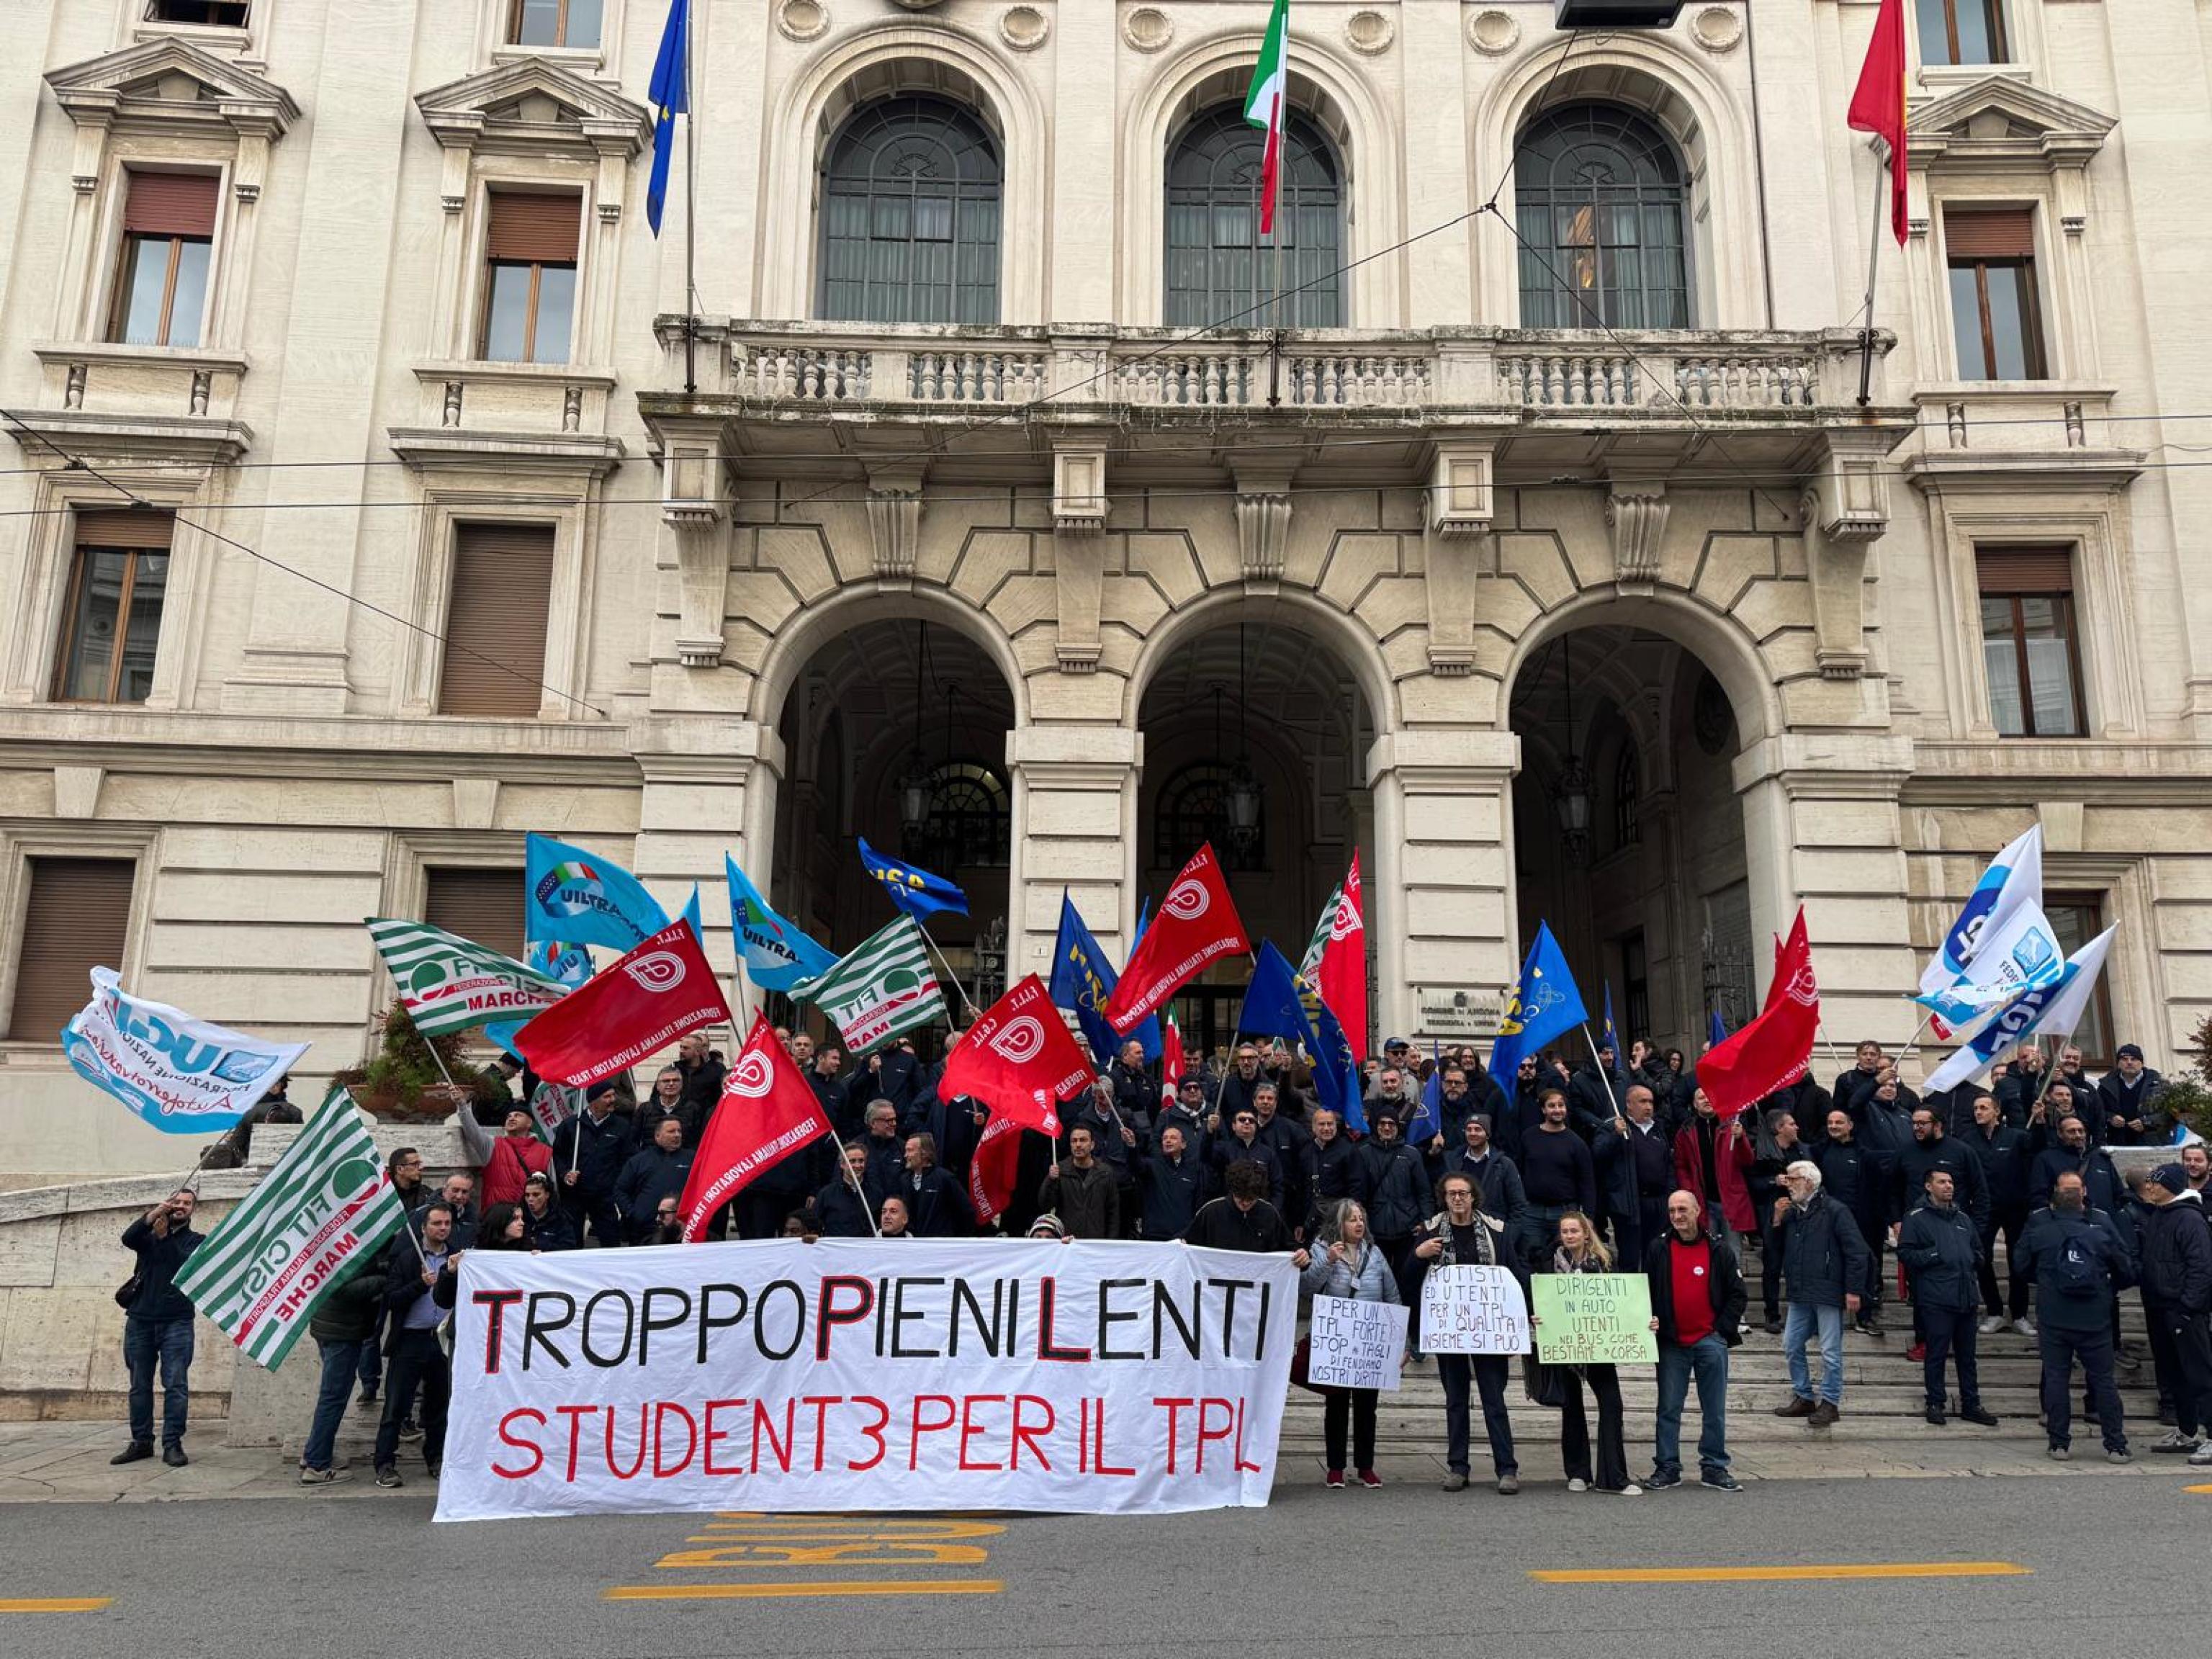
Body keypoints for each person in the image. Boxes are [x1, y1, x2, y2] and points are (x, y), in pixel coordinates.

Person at [1406, 1173, 1521, 1495]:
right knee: (1455, 1401)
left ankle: (1507, 1469)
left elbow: (1513, 1277)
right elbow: (1408, 1281)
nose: (1457, 1199)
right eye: (1451, 1194)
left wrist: (1516, 1327)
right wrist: (1418, 1255)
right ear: (1444, 1198)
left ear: (1474, 1197)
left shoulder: (1497, 1232)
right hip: (1449, 1333)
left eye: (1463, 1194)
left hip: (1489, 1332)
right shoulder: (1429, 1233)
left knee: (1494, 1400)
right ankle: (1458, 1467)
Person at [2017, 1170, 2134, 1462]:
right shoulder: (2101, 1228)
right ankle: (2116, 1444)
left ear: (2054, 1200)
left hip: (2054, 1316)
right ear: (2082, 1199)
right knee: (2104, 1381)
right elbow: (2127, 1269)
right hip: (2095, 1317)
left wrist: (2046, 1280)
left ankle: (2059, 1443)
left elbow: (2020, 1266)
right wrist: (2107, 1288)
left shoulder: (2040, 1227)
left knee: (2056, 1379)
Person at [1645, 1188, 1747, 1492]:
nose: (1677, 1216)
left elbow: (1737, 1294)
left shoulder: (1719, 1249)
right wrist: (1650, 1320)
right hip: (1672, 1342)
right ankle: (1667, 1467)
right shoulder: (1658, 1249)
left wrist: (1720, 1330)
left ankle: (1714, 1467)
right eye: (1673, 1210)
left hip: (1709, 1341)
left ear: (1698, 1211)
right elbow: (1644, 1290)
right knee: (1668, 1408)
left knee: (1714, 1409)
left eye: (1683, 1210)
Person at [1533, 1212, 1638, 1495]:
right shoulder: (1549, 1262)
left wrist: (1642, 1321)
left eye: (1574, 1231)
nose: (1569, 1236)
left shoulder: (1605, 1262)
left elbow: (1623, 1300)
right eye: (1565, 1231)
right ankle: (1578, 1473)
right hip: (1565, 1345)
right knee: (1572, 1409)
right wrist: (1538, 1317)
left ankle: (1613, 1477)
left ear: (1586, 1233)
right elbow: (1543, 1300)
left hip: (1598, 1345)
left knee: (1612, 1405)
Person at [1300, 1199, 1401, 1489]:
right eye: (1352, 1219)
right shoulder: (1321, 1250)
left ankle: (1365, 1467)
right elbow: (1306, 1288)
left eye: (1361, 1219)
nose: (1359, 1224)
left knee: (1367, 1407)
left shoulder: (1376, 1254)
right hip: (1337, 1344)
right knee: (1337, 1405)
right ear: (1339, 1224)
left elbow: (1391, 1296)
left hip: (1369, 1341)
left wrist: (1399, 1343)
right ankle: (1335, 1467)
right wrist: (1328, 1261)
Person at [1896, 1169, 1999, 1428]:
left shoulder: (1963, 1218)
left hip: (1966, 1296)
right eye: (1942, 1182)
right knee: (1937, 1354)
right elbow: (1905, 1254)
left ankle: (1971, 1404)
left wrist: (1975, 1259)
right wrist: (1935, 1255)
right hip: (1936, 1298)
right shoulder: (1916, 1218)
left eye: (1951, 1181)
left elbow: (1978, 1250)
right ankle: (1935, 1402)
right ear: (1928, 1186)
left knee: (1968, 1357)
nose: (1948, 1186)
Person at [1772, 1161, 1869, 1429]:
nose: (1789, 1185)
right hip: (1800, 1290)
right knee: (1791, 1344)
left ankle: (1830, 1402)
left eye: (1793, 1180)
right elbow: (1774, 1251)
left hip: (1828, 1290)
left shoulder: (1835, 1210)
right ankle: (1804, 1396)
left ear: (1810, 1182)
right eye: (1788, 1180)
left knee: (1830, 1351)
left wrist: (1853, 1289)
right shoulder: (1792, 1212)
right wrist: (1777, 1220)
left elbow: (1857, 1252)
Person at [114, 1188, 203, 1467]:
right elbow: (128, 1238)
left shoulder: (197, 1241)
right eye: (177, 1202)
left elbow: (181, 1265)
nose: (181, 1207)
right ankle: (141, 1442)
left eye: (187, 1204)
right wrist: (152, 1216)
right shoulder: (148, 1236)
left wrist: (165, 1238)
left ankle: (172, 1444)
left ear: (193, 1210)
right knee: (139, 1385)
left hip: (177, 1321)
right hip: (140, 1319)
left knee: (175, 1384)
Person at [372, 1202, 456, 1488]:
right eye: (436, 1224)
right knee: (396, 1405)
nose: (442, 1228)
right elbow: (391, 1299)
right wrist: (419, 1285)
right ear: (423, 1228)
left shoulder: (456, 1260)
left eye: (446, 1223)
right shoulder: (408, 1259)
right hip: (410, 1339)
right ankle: (384, 1463)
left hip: (442, 1340)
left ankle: (435, 1457)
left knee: (438, 1406)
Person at [2135, 1163, 2212, 1464]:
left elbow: (2202, 1267)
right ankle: (2186, 1431)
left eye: (2155, 1182)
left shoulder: (2189, 1220)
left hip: (2183, 1311)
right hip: (2158, 1308)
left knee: (2200, 1373)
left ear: (2170, 1186)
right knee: (2173, 1375)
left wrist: (2187, 1307)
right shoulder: (2159, 1215)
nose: (2149, 1186)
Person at [297, 1249, 384, 1485]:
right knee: (333, 1398)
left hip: (330, 1326)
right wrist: (384, 1279)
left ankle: (314, 1452)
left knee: (330, 1397)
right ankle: (317, 1466)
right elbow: (343, 1288)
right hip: (342, 1331)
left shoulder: (339, 1240)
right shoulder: (350, 1244)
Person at [1809, 1110, 1890, 1335]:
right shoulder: (1817, 1152)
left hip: (1863, 1222)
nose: (1834, 1126)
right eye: (1830, 1122)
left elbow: (1879, 1191)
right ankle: (1821, 1320)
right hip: (1827, 1221)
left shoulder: (1867, 1156)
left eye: (1839, 1122)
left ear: (1850, 1125)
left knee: (1867, 1265)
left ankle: (1865, 1317)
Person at [1962, 1093, 2034, 1334]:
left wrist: (2042, 1121)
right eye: (1975, 1108)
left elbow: (2036, 1153)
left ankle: (2020, 1314)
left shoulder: (2016, 1137)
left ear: (1997, 1111)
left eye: (1984, 1108)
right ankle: (1994, 1311)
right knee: (1982, 1259)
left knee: (2018, 1260)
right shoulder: (1968, 1140)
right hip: (1984, 1209)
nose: (1978, 1112)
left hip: (2016, 1207)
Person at [1516, 1089, 1597, 1273]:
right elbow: (1518, 1172)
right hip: (1532, 1211)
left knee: (1565, 1260)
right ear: (1543, 1110)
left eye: (1561, 1105)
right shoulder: (1528, 1137)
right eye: (1552, 1106)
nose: (1557, 1110)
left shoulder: (1577, 1143)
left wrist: (1589, 1217)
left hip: (1565, 1211)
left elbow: (1587, 1182)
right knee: (1529, 1259)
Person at [1672, 1090, 1755, 1262]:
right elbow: (1681, 1165)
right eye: (1702, 1098)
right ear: (1695, 1104)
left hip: (1729, 1201)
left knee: (1733, 1252)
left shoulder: (1732, 1127)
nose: (1707, 1100)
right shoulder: (1685, 1131)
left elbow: (1747, 1161)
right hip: (1703, 1202)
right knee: (1709, 1252)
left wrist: (1741, 1140)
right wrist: (1690, 1190)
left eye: (1710, 1096)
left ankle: (1733, 1288)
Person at [550, 1082, 634, 1246]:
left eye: (613, 1095)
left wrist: (617, 1186)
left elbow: (627, 1159)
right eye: (607, 1096)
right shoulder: (571, 1125)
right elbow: (558, 1155)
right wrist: (565, 1173)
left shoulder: (621, 1126)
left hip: (605, 1196)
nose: (612, 1100)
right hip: (574, 1195)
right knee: (572, 1242)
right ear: (593, 1100)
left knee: (611, 1243)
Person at [1354, 1107, 1429, 1292]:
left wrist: (1425, 1221)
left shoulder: (1412, 1154)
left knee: (1406, 1279)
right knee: (1377, 1280)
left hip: (1408, 1228)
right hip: (1375, 1229)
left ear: (1397, 1127)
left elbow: (1424, 1192)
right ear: (1376, 1127)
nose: (1387, 1128)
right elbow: (1358, 1194)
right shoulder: (1363, 1153)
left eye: (1391, 1124)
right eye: (1382, 1124)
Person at [1748, 1105, 1803, 1332]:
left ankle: (1801, 1314)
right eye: (1791, 1124)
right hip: (1773, 1217)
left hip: (1799, 1216)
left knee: (1797, 1265)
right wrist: (1774, 1181)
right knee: (1772, 1266)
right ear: (1780, 1129)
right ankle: (1772, 1314)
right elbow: (1753, 1185)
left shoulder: (1801, 1151)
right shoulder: (1761, 1154)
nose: (1796, 1127)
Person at [1435, 1112, 1527, 1237]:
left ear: (1487, 1134)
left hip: (1494, 1232)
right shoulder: (1452, 1161)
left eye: (1478, 1129)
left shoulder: (1504, 1165)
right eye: (1469, 1129)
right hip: (1457, 1230)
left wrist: (1509, 1238)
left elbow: (1518, 1206)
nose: (1473, 1133)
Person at [1184, 1159, 1300, 1254]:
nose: (1245, 1203)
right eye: (1240, 1198)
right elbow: (1185, 1242)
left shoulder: (1269, 1213)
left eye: (1251, 1199)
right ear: (1233, 1191)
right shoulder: (1211, 1212)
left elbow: (1290, 1248)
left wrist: (1301, 1254)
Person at [613, 1116, 695, 1244]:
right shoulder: (639, 1161)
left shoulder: (693, 1159)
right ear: (657, 1136)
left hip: (681, 1231)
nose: (677, 1135)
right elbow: (620, 1190)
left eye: (679, 1131)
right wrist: (634, 1214)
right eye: (671, 1131)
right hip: (645, 1231)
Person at [1040, 1126, 1120, 1240]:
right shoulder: (1060, 1171)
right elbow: (1046, 1204)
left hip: (1096, 1242)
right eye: (1074, 1141)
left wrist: (1110, 1242)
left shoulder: (1106, 1173)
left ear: (1092, 1145)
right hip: (1067, 1241)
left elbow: (1113, 1213)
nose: (1078, 1145)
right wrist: (1050, 1180)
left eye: (1083, 1140)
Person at [1135, 1122, 1210, 1241]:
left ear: (1184, 1144)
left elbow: (1198, 1204)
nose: (1168, 1141)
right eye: (1165, 1138)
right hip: (1154, 1236)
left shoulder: (1194, 1170)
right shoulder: (1152, 1166)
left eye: (1173, 1138)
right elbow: (1135, 1164)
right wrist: (1132, 1146)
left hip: (1183, 1238)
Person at [900, 1133, 973, 1237]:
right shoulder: (904, 1180)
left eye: (910, 1150)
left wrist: (955, 1239)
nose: (905, 1155)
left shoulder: (945, 1178)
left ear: (925, 1153)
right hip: (913, 1245)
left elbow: (967, 1212)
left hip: (940, 1246)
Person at [1301, 1107, 1358, 1238]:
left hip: (1339, 1220)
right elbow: (1301, 1189)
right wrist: (1300, 1223)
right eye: (1322, 1124)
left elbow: (1357, 1188)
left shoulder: (1348, 1151)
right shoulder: (1305, 1151)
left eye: (1330, 1124)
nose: (1327, 1128)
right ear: (1313, 1127)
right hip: (1311, 1221)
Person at [480, 1107, 553, 1208]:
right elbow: (472, 1132)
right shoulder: (494, 1144)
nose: (512, 1118)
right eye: (509, 1116)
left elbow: (552, 1188)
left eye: (518, 1115)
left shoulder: (546, 1151)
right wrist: (462, 1106)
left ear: (530, 1123)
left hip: (530, 1216)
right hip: (497, 1216)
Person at [2095, 1044, 2166, 1146]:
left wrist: (2147, 1123)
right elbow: (2097, 1110)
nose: (2129, 1062)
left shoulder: (2159, 1085)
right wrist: (2110, 1118)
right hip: (2116, 1143)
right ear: (2118, 1063)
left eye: (2134, 1059)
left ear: (2142, 1063)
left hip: (2151, 1143)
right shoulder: (2106, 1086)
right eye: (2124, 1059)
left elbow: (2169, 1114)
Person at [811, 1143, 877, 1239]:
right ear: (842, 1164)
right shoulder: (826, 1194)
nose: (858, 1165)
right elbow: (814, 1225)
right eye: (852, 1161)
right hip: (836, 1250)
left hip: (865, 1249)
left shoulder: (876, 1192)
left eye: (861, 1161)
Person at [518, 1173, 577, 1251]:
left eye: (536, 1195)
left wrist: (544, 1251)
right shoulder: (518, 1218)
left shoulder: (561, 1219)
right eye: (527, 1195)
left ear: (547, 1195)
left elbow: (569, 1248)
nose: (530, 1199)